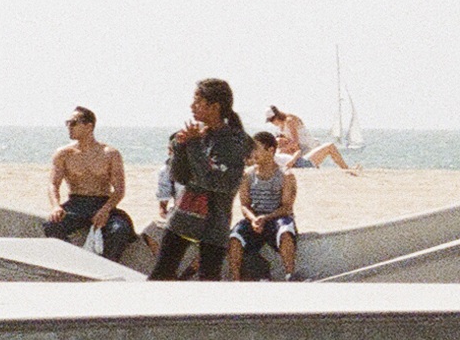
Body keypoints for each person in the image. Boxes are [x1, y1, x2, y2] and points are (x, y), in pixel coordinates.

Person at [147, 80, 254, 281]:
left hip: (215, 222)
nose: (191, 106)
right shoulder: (198, 135)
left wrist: (194, 144)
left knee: (209, 281)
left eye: (198, 101)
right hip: (184, 216)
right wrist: (180, 146)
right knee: (160, 276)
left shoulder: (236, 140)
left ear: (215, 107)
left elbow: (212, 181)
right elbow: (179, 176)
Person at [43, 107, 135, 259]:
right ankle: (74, 262)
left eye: (73, 123)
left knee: (120, 230)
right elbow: (53, 184)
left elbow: (119, 189)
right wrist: (55, 206)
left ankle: (108, 266)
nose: (69, 127)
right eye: (68, 123)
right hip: (76, 203)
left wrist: (105, 210)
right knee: (51, 225)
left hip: (103, 202)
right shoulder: (64, 154)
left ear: (89, 126)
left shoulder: (110, 153)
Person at [228, 132, 300, 278]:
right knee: (234, 237)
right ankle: (236, 279)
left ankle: (290, 275)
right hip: (255, 219)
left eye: (256, 149)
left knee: (285, 231)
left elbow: (287, 207)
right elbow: (244, 205)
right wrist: (254, 219)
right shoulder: (247, 175)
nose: (252, 153)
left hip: (276, 217)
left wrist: (265, 218)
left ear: (271, 150)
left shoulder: (286, 175)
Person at [263, 106, 357, 172]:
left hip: (308, 146)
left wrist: (283, 149)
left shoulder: (289, 121)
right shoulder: (281, 125)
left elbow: (295, 141)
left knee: (311, 160)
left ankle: (345, 168)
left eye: (272, 120)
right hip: (300, 149)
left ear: (277, 116)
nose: (272, 123)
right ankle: (346, 169)